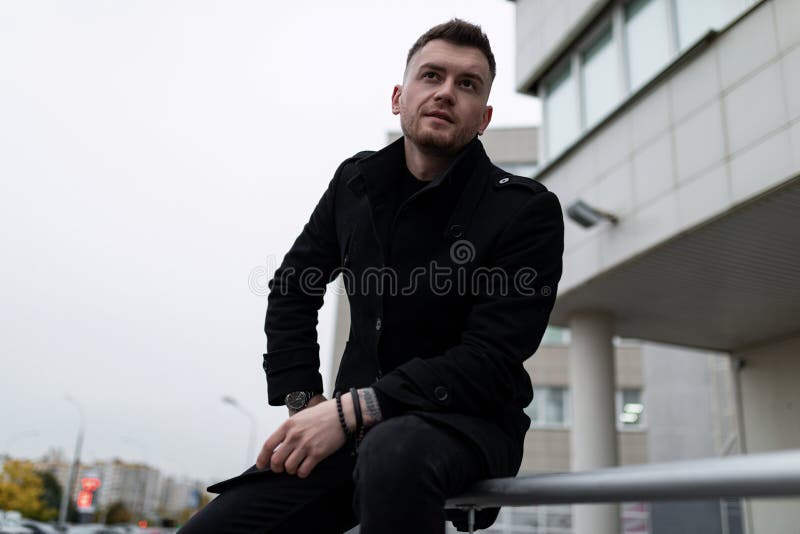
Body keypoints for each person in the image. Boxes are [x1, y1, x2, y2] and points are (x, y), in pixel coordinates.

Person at [182, 18, 563, 533]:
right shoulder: (354, 183)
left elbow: (490, 357)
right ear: (398, 98)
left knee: (393, 451)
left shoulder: (525, 210)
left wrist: (354, 410)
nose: (446, 92)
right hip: (349, 431)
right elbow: (293, 289)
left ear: (484, 118)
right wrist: (303, 402)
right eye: (431, 76)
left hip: (464, 425)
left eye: (468, 84)